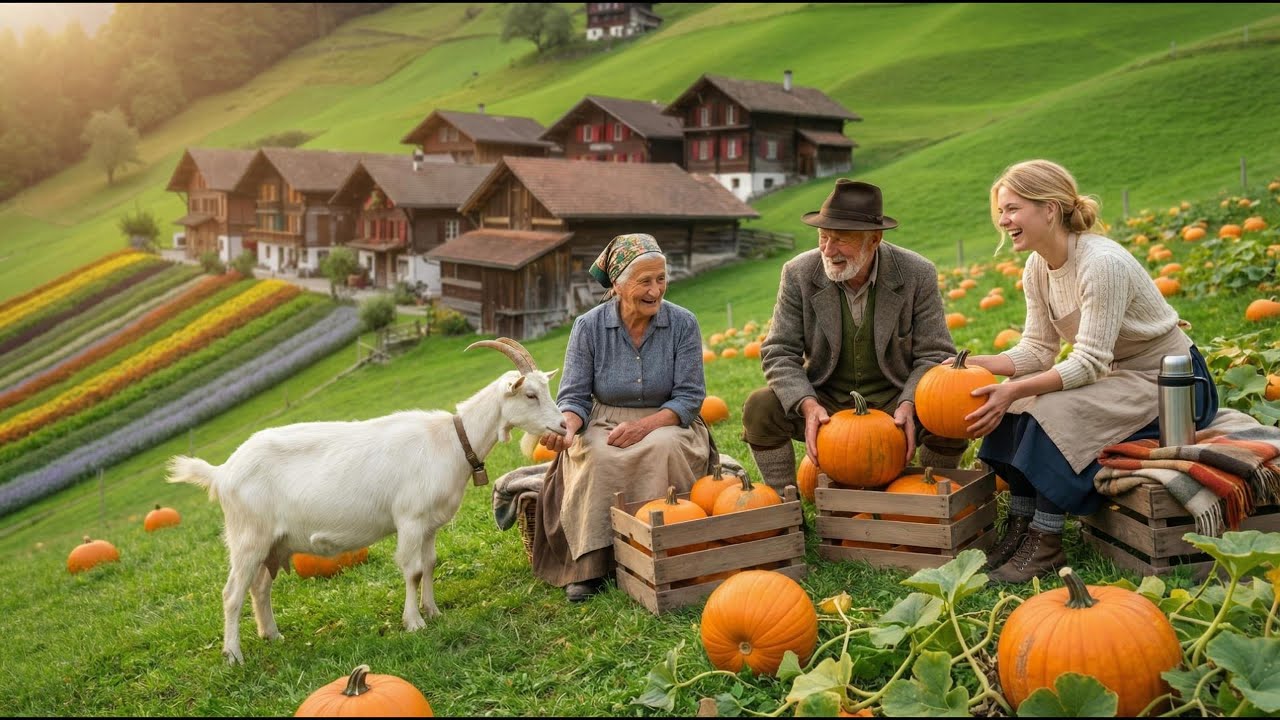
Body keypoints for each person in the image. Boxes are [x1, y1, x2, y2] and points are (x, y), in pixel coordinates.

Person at [963, 159, 1219, 583]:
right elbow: (1038, 349)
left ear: (1049, 209)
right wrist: (977, 365)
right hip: (1115, 376)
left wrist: (1015, 389)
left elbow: (1089, 363)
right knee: (1016, 402)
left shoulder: (1101, 263)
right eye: (1001, 211)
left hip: (1171, 383)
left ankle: (1045, 541)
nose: (1003, 220)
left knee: (1055, 414)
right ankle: (1022, 527)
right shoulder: (1036, 268)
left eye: (1012, 209)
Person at [742, 179, 967, 493]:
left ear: (873, 240)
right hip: (827, 401)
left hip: (895, 398)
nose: (828, 250)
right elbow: (779, 350)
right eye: (823, 237)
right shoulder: (799, 273)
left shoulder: (916, 273)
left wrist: (909, 404)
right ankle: (785, 506)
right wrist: (807, 404)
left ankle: (929, 493)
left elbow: (934, 353)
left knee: (953, 406)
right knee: (761, 406)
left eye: (840, 240)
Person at [534, 233, 712, 602]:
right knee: (598, 455)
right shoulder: (589, 327)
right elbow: (574, 397)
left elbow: (691, 396)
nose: (655, 290)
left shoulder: (683, 323)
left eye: (661, 279)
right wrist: (566, 428)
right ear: (617, 285)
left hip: (668, 419)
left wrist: (646, 425)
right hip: (605, 417)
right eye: (644, 281)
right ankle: (592, 565)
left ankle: (667, 550)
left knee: (664, 448)